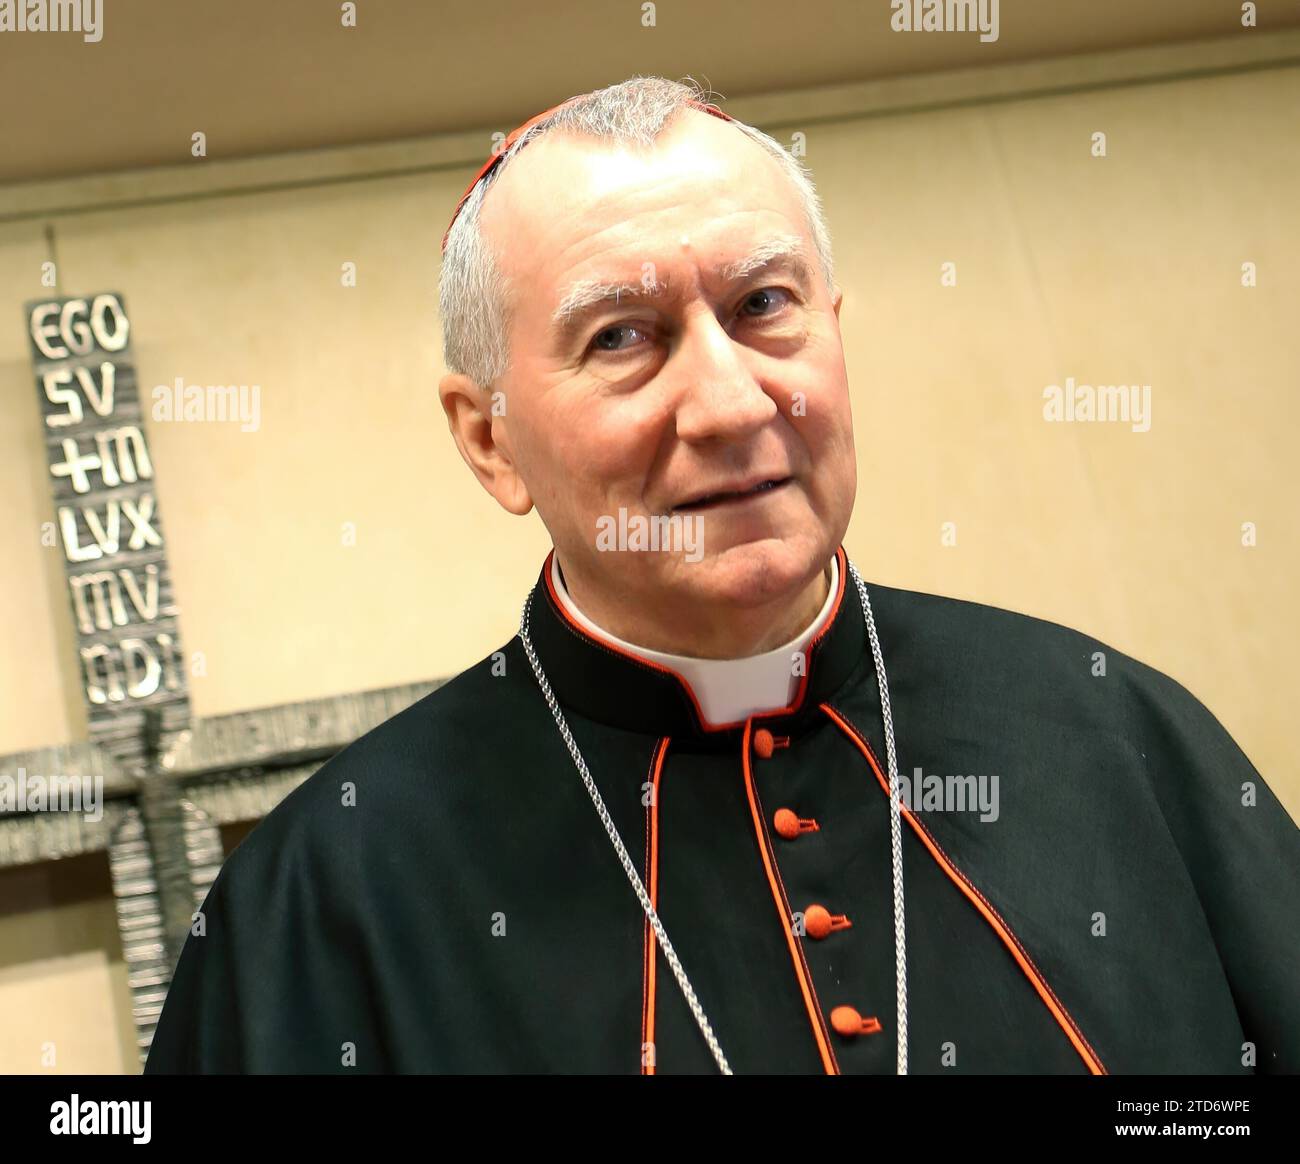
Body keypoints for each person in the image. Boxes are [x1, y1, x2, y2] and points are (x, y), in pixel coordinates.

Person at [144, 75, 1299, 1075]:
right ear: (490, 441)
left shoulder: (1105, 728)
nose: (732, 402)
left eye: (763, 308)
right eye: (621, 338)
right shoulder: (319, 901)